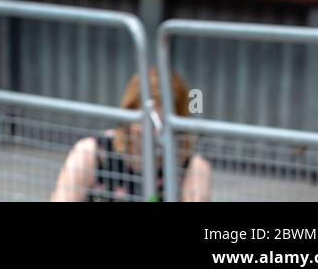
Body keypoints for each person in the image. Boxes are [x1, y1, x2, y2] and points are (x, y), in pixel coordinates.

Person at [51, 68, 212, 202]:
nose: (156, 135)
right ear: (129, 113)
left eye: (164, 126)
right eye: (146, 123)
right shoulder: (91, 152)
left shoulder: (193, 167)